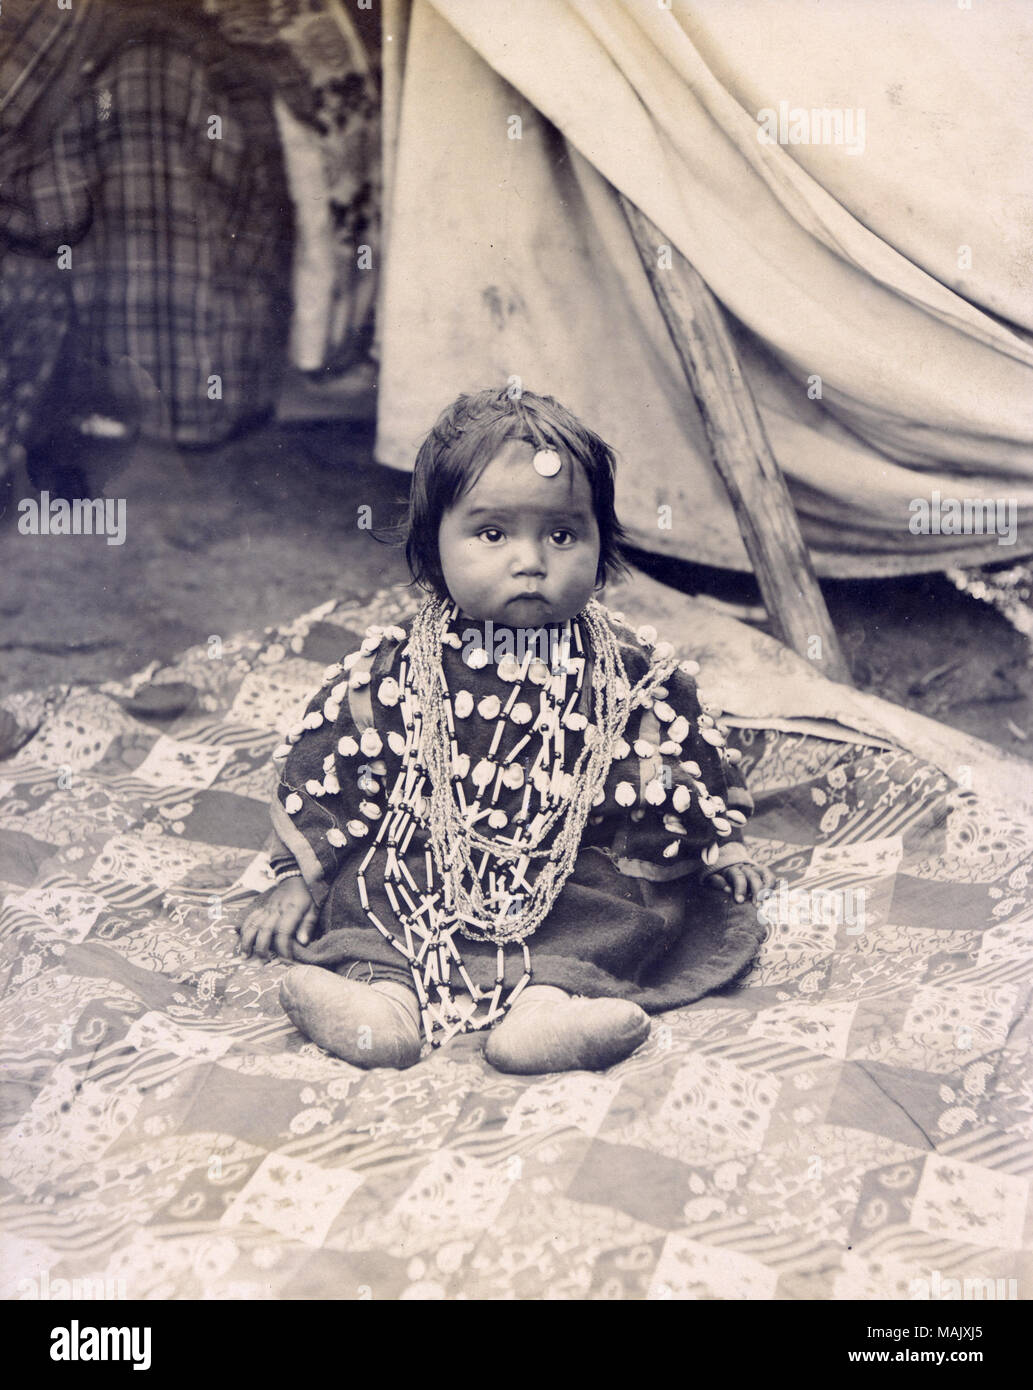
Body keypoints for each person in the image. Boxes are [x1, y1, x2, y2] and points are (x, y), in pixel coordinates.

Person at [239, 388, 774, 1073]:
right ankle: (384, 1005)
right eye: (492, 534)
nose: (531, 560)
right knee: (372, 894)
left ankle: (545, 1011)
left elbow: (682, 756)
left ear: (601, 542)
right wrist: (297, 876)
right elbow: (334, 767)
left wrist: (718, 845)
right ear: (434, 545)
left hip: (569, 862)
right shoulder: (397, 663)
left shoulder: (629, 669)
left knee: (615, 911)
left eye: (562, 534)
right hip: (424, 850)